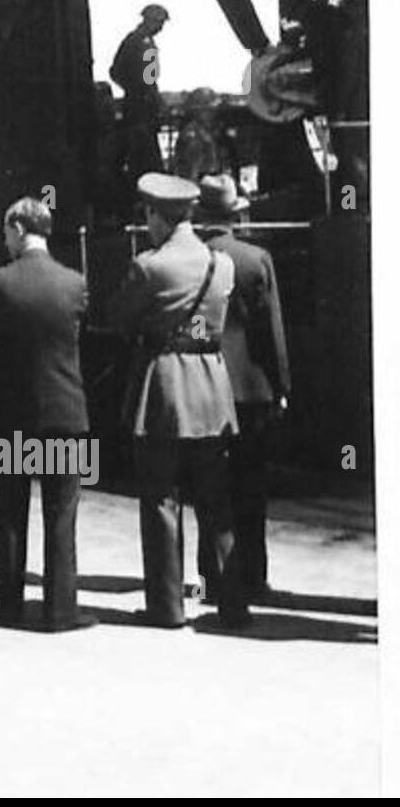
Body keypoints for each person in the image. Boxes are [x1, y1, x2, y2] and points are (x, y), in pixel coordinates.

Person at [108, 173, 248, 630]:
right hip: (211, 391)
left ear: (156, 216)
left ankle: (167, 607)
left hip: (163, 394)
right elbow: (210, 326)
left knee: (161, 502)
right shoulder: (220, 264)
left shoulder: (150, 266)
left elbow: (118, 318)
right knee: (217, 503)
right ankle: (231, 602)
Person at [0, 197, 93, 631]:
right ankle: (61, 610)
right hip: (65, 417)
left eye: (5, 231)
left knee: (8, 512)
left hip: (10, 419)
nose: (4, 239)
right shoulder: (75, 283)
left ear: (19, 228)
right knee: (61, 514)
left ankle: (7, 605)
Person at [197, 174, 290, 602]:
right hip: (252, 388)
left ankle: (213, 578)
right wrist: (282, 384)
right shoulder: (257, 259)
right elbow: (271, 332)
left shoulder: (192, 259)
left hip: (206, 387)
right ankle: (253, 575)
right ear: (238, 213)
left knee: (209, 486)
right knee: (252, 485)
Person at [110, 3, 169, 182]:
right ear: (150, 21)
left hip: (139, 107)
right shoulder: (142, 42)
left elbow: (117, 72)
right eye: (159, 23)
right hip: (141, 110)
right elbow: (146, 79)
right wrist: (138, 91)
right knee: (145, 159)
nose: (161, 28)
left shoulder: (137, 40)